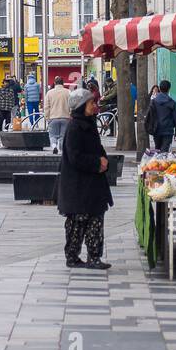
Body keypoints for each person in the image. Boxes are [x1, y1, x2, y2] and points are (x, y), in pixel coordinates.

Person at [58, 87, 113, 269]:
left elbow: (96, 148)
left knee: (96, 220)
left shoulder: (89, 124)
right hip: (79, 187)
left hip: (93, 185)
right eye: (91, 103)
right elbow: (75, 157)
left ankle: (94, 256)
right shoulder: (75, 128)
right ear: (81, 106)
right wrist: (97, 162)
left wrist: (104, 160)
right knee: (78, 222)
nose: (94, 105)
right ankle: (72, 256)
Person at [149, 80, 176, 152]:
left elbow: (150, 115)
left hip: (156, 129)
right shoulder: (172, 103)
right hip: (168, 130)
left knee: (157, 149)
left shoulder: (153, 102)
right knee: (164, 150)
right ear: (169, 89)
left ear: (160, 88)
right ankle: (162, 162)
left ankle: (157, 162)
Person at [46, 77, 72, 154]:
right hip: (65, 117)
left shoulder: (49, 93)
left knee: (53, 135)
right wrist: (70, 115)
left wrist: (47, 118)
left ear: (54, 83)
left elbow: (46, 107)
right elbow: (72, 105)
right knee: (63, 136)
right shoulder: (68, 92)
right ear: (63, 83)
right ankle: (61, 149)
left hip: (53, 117)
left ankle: (54, 146)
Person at [141, 84, 160, 150]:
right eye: (154, 89)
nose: (155, 90)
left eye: (156, 89)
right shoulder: (150, 96)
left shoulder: (159, 96)